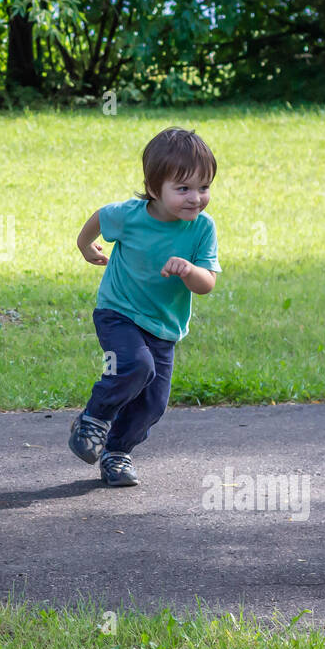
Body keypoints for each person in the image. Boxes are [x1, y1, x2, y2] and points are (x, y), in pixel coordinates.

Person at [70, 127, 222, 486]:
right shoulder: (130, 215)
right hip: (117, 311)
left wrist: (189, 271)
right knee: (135, 366)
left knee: (154, 402)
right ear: (154, 188)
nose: (195, 198)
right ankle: (93, 418)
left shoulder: (202, 229)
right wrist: (84, 246)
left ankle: (117, 453)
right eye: (183, 189)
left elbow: (207, 284)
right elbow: (100, 218)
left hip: (163, 325)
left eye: (204, 187)